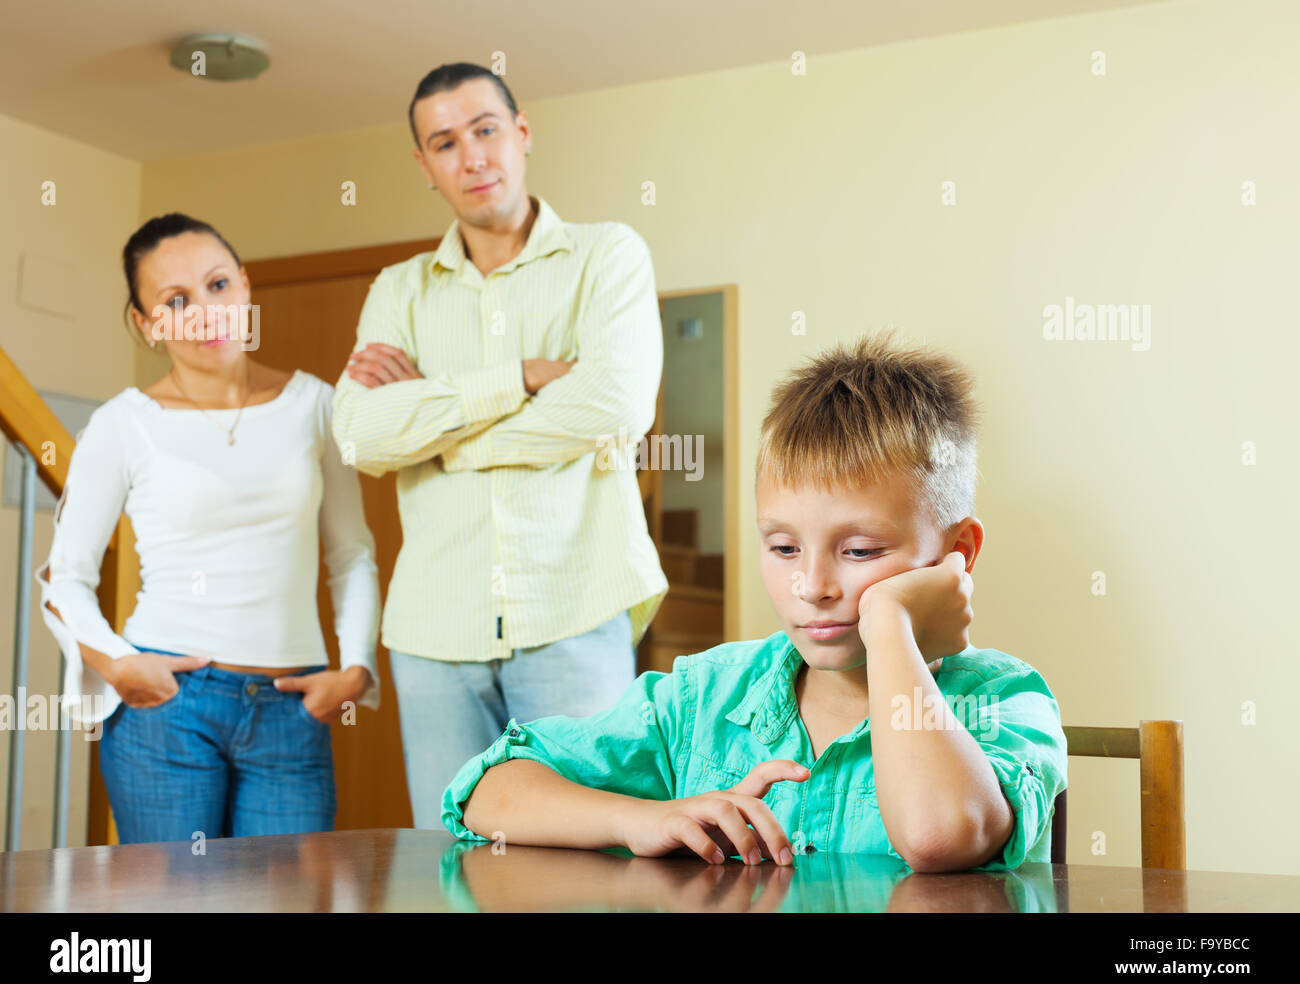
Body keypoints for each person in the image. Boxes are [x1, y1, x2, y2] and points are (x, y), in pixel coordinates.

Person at [440, 333, 1068, 872]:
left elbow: (937, 836)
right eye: (784, 547)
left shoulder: (1006, 700)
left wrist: (891, 623)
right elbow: (486, 790)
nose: (812, 586)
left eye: (859, 551)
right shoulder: (700, 700)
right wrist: (638, 818)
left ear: (958, 551)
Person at [332, 62, 667, 829]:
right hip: (432, 632)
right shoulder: (399, 289)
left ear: (521, 134)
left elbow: (616, 404)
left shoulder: (606, 256)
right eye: (444, 143)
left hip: (574, 609)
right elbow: (358, 433)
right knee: (455, 856)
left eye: (485, 130)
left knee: (598, 852)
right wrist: (520, 377)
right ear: (424, 167)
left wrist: (438, 432)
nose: (472, 156)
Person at [36, 213, 381, 843]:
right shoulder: (123, 424)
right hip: (166, 706)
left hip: (292, 706)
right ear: (145, 325)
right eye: (175, 301)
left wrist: (356, 668)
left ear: (245, 287)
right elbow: (66, 578)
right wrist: (117, 665)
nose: (205, 311)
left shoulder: (316, 404)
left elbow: (353, 553)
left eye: (218, 285)